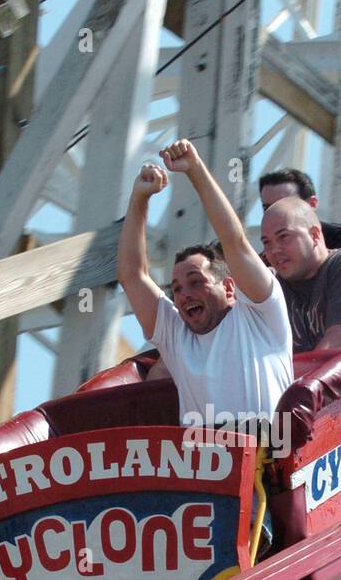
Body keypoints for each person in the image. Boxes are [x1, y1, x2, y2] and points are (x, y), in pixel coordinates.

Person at [116, 139, 292, 426]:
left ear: (229, 287)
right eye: (176, 289)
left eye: (196, 282)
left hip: (267, 457)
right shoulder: (177, 337)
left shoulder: (260, 315)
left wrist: (195, 170)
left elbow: (233, 240)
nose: (184, 294)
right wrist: (139, 199)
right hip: (209, 466)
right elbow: (132, 275)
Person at [260, 195, 341, 352]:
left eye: (283, 237)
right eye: (267, 242)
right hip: (306, 375)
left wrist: (300, 377)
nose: (274, 250)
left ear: (314, 235)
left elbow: (339, 343)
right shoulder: (274, 283)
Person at [258, 168, 341, 253]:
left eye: (285, 205)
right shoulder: (266, 258)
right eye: (267, 208)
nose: (274, 213)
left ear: (312, 204)